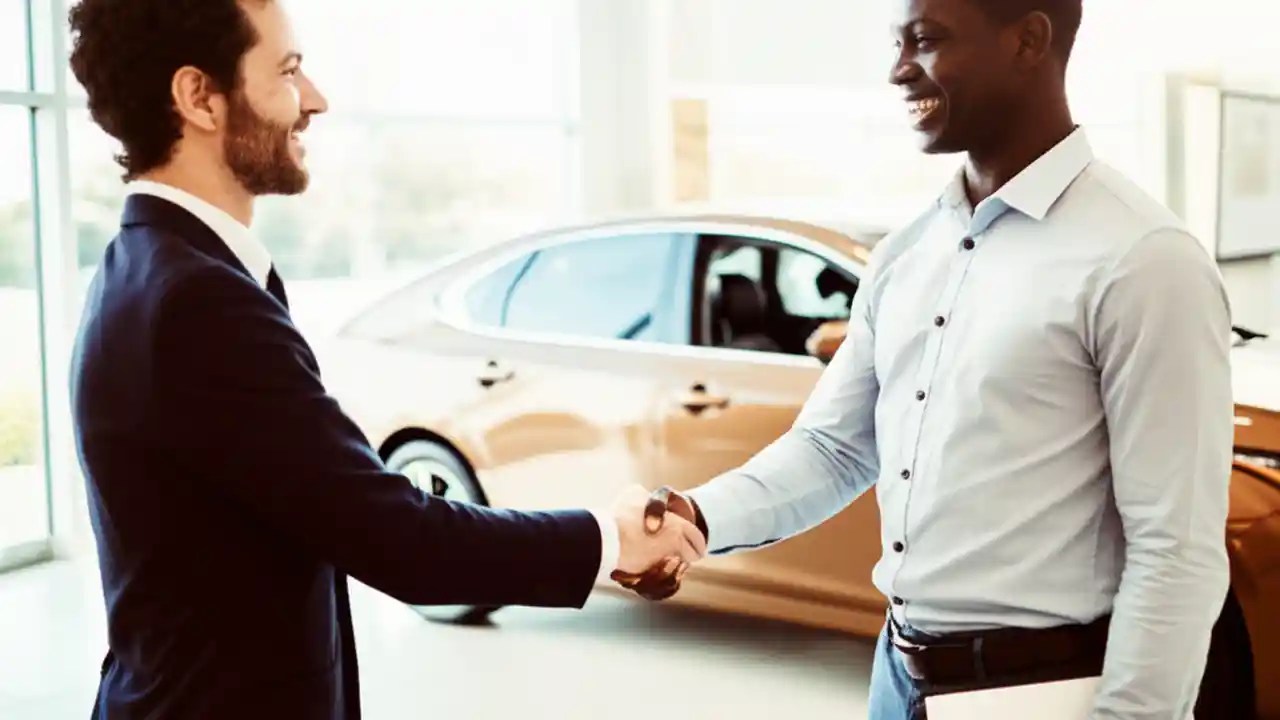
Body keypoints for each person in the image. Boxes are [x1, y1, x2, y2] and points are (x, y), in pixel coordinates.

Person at [67, 1, 704, 717]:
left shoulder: (147, 268)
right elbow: (399, 539)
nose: (315, 100)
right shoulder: (197, 301)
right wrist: (609, 536)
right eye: (288, 70)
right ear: (198, 98)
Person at [624, 0, 1235, 717]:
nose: (897, 69)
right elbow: (834, 449)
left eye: (927, 40)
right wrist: (700, 516)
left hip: (1042, 691)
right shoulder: (905, 254)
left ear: (1028, 41)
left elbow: (1176, 550)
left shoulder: (1143, 261)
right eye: (897, 42)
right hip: (898, 675)